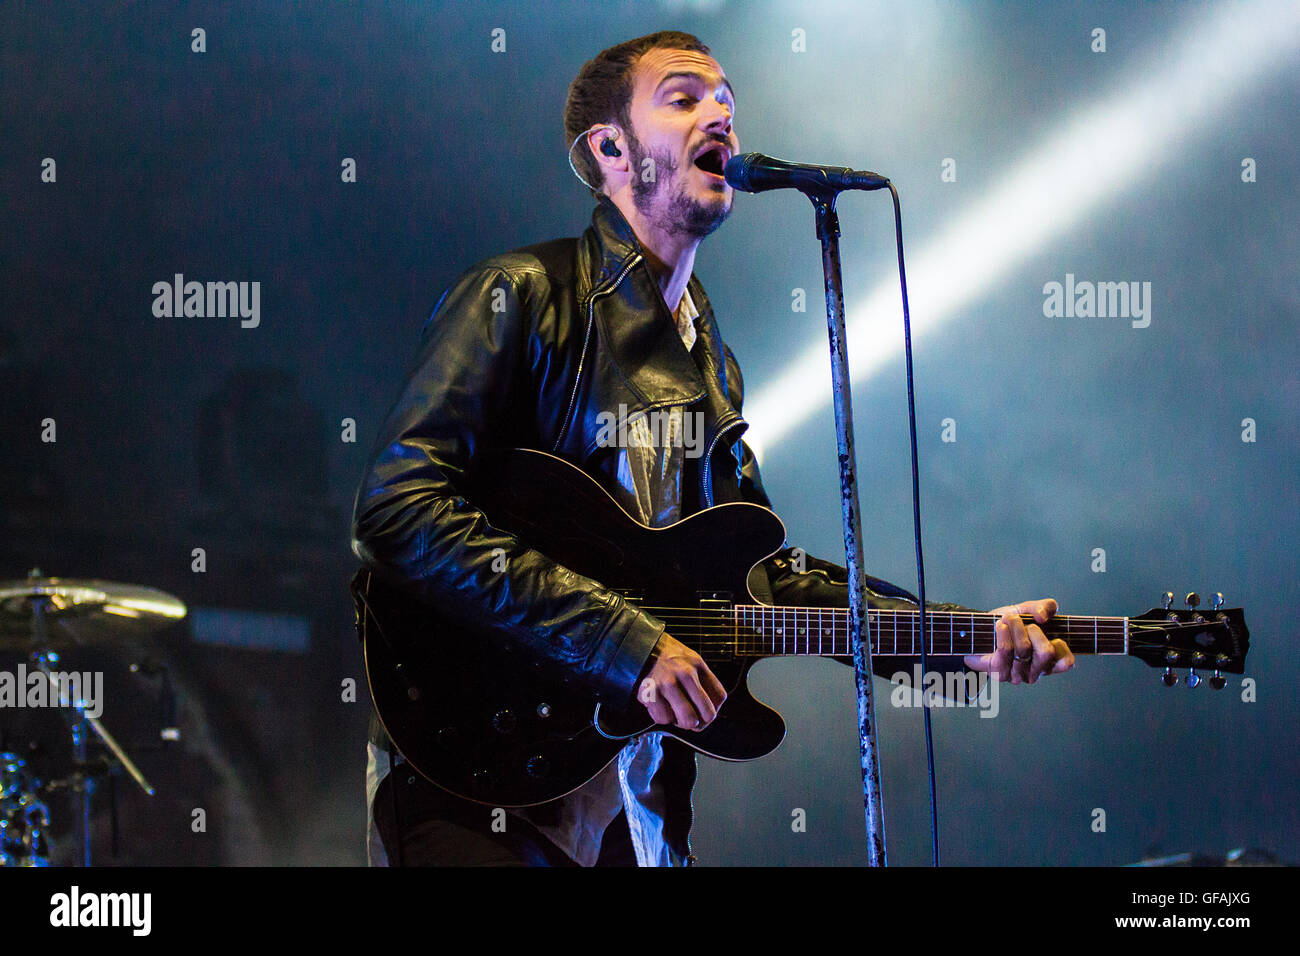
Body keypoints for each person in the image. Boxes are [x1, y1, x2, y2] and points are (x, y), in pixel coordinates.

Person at [350, 30, 1074, 868]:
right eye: (685, 98)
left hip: (628, 793)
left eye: (726, 98)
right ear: (612, 148)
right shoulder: (524, 295)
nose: (721, 115)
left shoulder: (706, 353)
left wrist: (955, 636)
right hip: (477, 759)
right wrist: (623, 641)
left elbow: (765, 577)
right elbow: (399, 509)